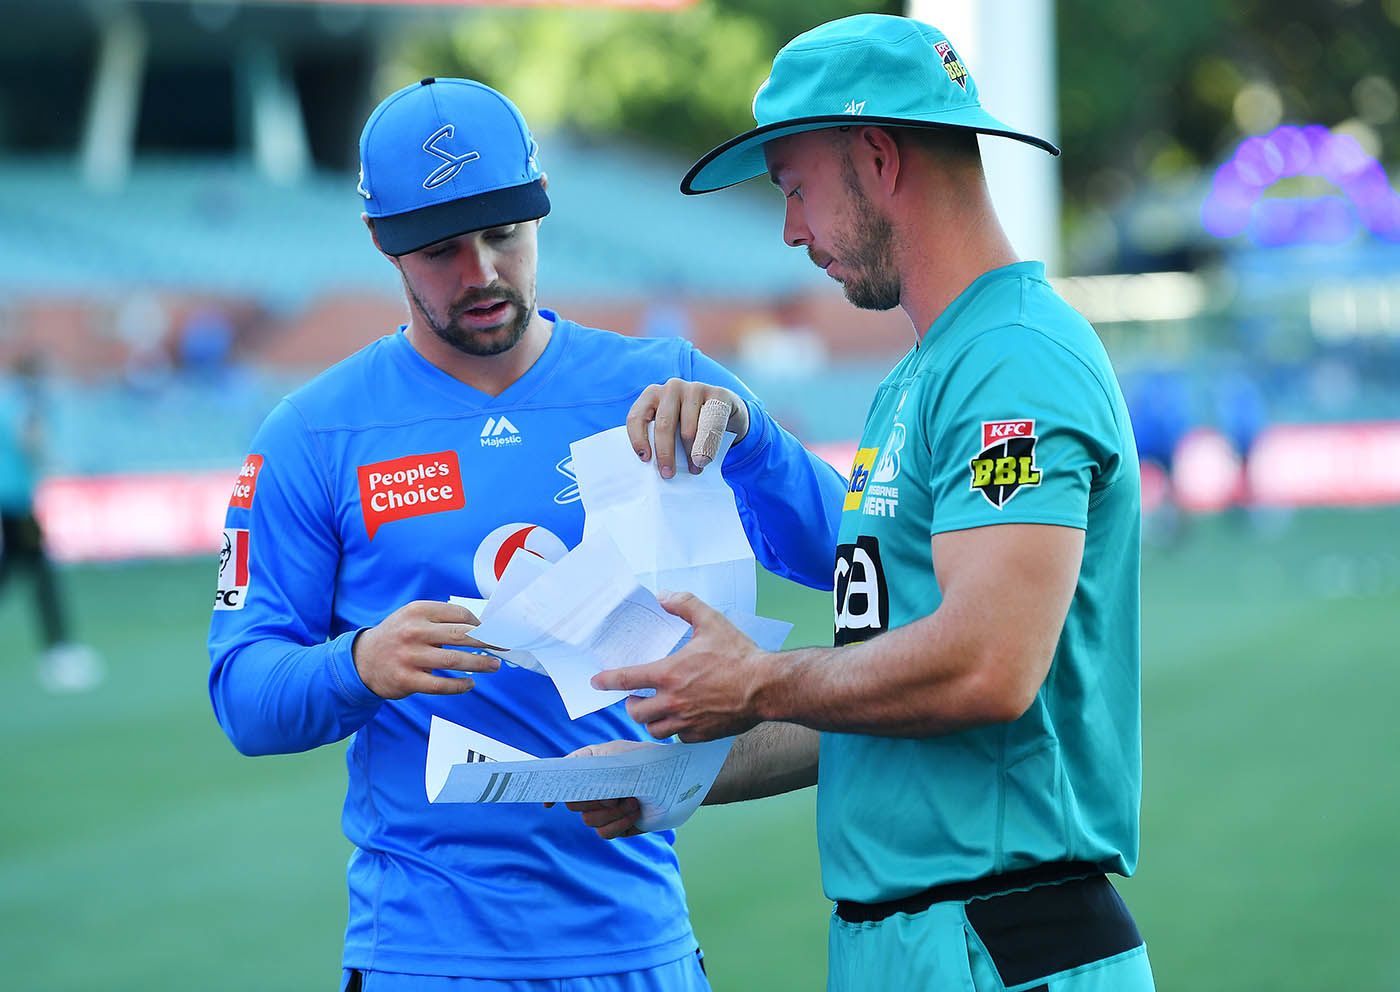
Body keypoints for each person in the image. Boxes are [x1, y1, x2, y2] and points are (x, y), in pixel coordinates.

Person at [206, 77, 847, 992]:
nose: (481, 273)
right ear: (382, 242)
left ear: (541, 209)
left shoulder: (662, 380)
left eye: (504, 233)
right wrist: (359, 664)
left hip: (640, 947)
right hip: (424, 959)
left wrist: (754, 442)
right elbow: (243, 691)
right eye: (440, 250)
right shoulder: (313, 433)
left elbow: (850, 561)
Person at [580, 15, 1156, 992]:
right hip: (918, 941)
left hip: (998, 941)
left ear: (879, 157)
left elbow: (985, 664)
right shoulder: (925, 374)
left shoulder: (1013, 358)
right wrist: (667, 778)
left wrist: (757, 679)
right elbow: (872, 696)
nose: (790, 229)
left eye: (793, 186)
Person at [0, 351, 103, 693]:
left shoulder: (9, 399)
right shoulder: (26, 403)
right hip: (15, 503)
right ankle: (60, 652)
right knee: (42, 575)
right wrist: (60, 463)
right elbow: (30, 440)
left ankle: (59, 649)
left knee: (20, 570)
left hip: (13, 501)